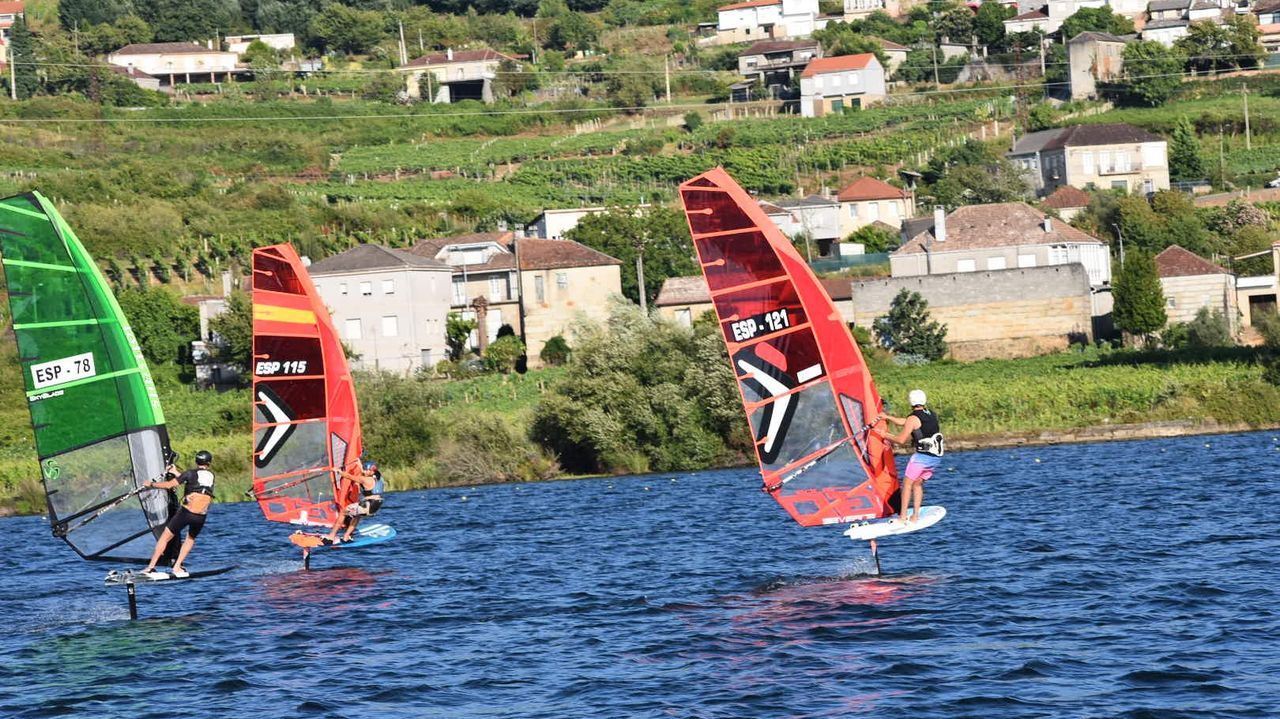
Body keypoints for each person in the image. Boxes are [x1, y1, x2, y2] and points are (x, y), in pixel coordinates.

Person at [141, 450, 215, 579]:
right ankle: (177, 566)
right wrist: (176, 473)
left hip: (186, 513)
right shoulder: (211, 476)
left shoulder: (190, 473)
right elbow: (194, 481)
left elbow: (170, 485)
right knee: (190, 539)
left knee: (165, 537)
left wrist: (151, 484)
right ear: (209, 463)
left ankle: (150, 568)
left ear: (196, 461)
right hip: (201, 515)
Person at [877, 389, 944, 523]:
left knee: (907, 485)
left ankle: (902, 517)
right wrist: (888, 417)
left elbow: (901, 439)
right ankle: (915, 515)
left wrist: (885, 435)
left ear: (911, 402)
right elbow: (906, 421)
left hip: (921, 459)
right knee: (918, 484)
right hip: (935, 459)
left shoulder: (913, 418)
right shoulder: (931, 414)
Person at [323, 460, 385, 544]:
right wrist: (358, 463)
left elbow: (349, 476)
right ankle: (346, 537)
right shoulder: (379, 478)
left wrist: (338, 471)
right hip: (374, 508)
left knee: (343, 512)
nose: (365, 471)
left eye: (366, 470)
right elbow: (364, 472)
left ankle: (330, 537)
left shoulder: (364, 479)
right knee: (357, 515)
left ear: (371, 471)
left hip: (367, 506)